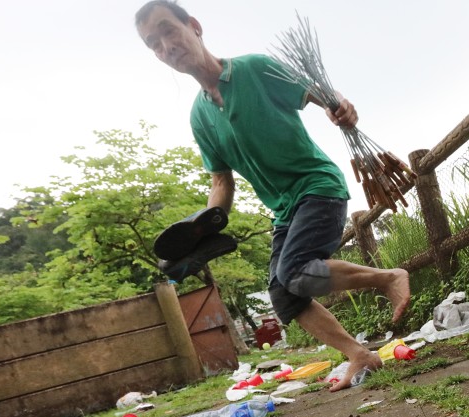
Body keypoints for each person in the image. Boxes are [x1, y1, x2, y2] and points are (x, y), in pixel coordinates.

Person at [135, 1, 410, 391]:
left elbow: (314, 90)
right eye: (154, 43)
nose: (166, 46)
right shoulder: (200, 117)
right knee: (284, 295)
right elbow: (221, 182)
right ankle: (359, 354)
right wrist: (204, 228)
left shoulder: (253, 68)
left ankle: (387, 278)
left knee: (294, 270)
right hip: (284, 209)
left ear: (193, 25)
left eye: (168, 30)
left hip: (317, 186)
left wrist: (339, 105)